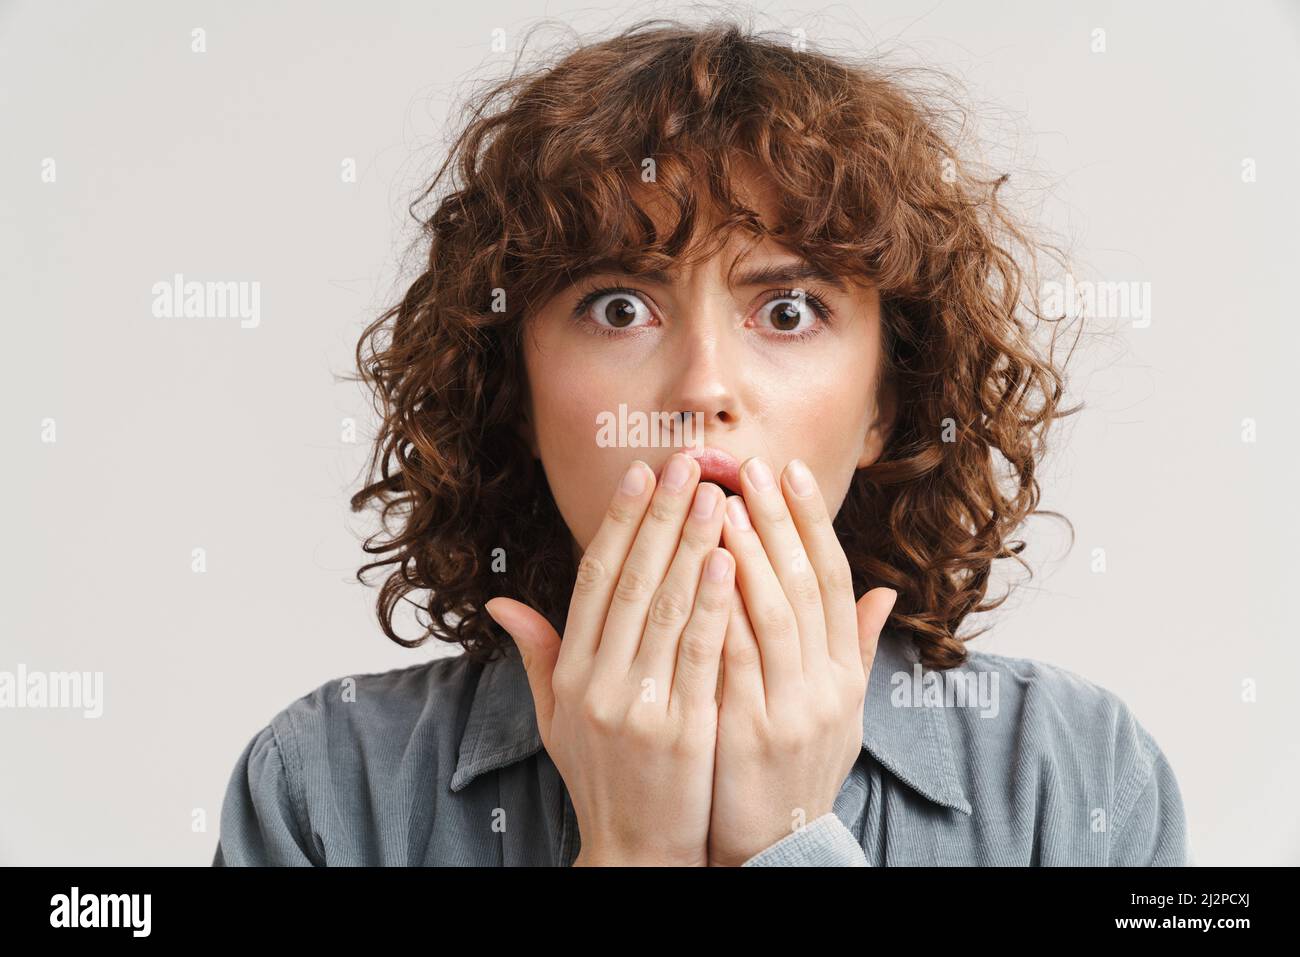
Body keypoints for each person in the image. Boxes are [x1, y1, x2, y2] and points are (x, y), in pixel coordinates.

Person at [213, 19, 1187, 867]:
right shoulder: (323, 788)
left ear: (885, 405)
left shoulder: (1077, 773)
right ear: (517, 393)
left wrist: (788, 840)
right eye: (620, 306)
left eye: (789, 309)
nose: (702, 388)